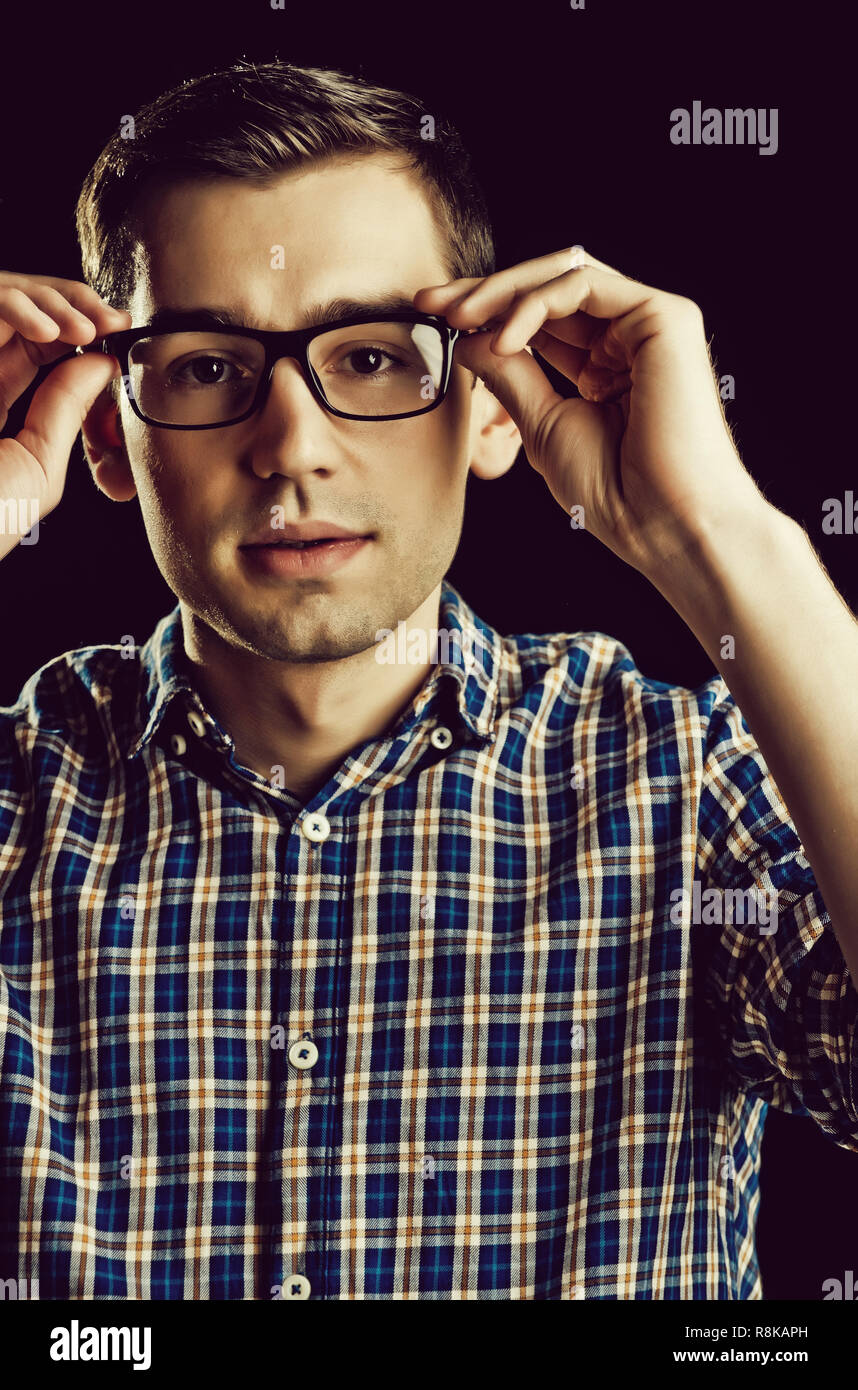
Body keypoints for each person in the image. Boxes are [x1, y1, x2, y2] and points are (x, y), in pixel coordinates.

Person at [0, 58, 855, 1302]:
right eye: (202, 364)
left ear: (497, 403)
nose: (292, 445)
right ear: (104, 434)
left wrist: (720, 537)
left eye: (372, 357)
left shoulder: (680, 790)